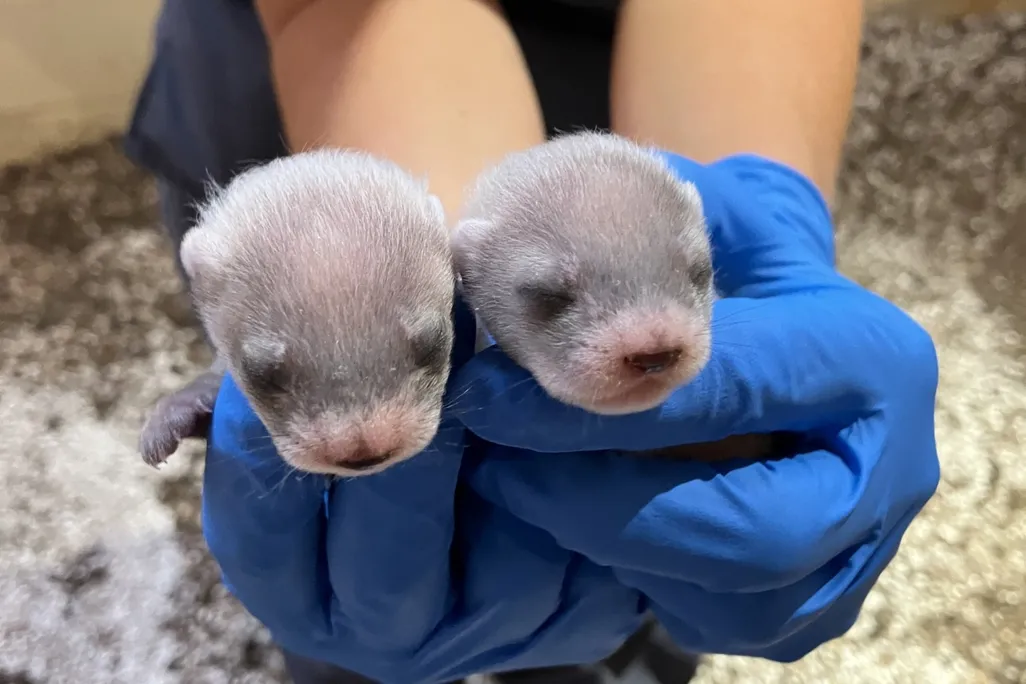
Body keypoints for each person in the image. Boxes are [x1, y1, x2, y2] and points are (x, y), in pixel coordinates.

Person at [123, 1, 941, 683]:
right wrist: (427, 276)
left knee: (656, 570)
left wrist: (766, 195)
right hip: (329, 45)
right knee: (356, 581)